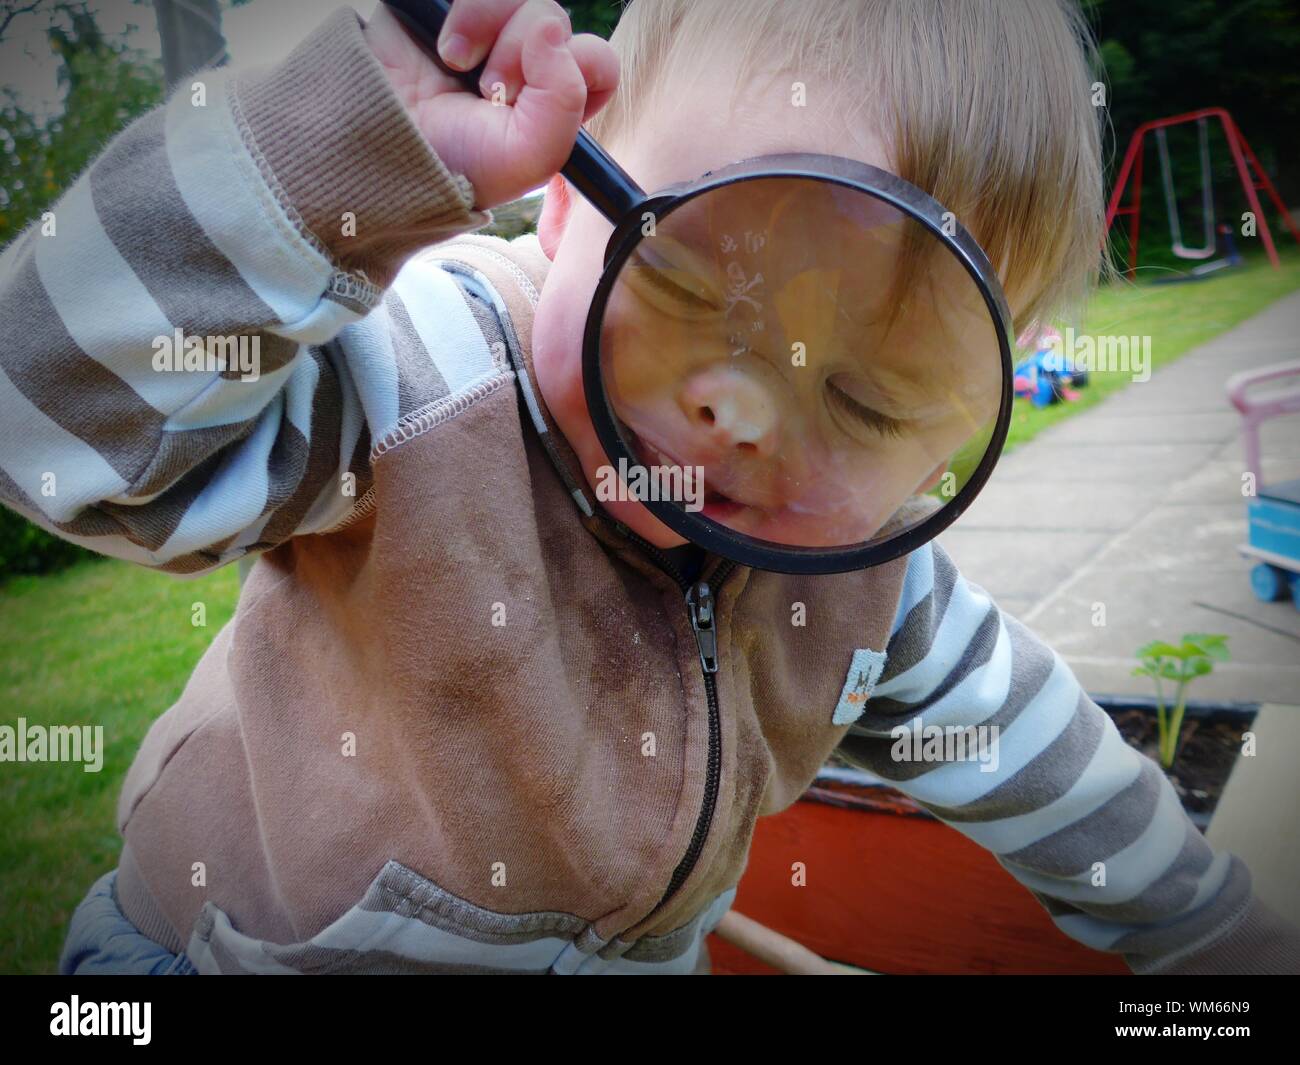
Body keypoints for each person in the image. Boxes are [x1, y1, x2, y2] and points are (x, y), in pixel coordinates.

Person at [3, 0, 1294, 974]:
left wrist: (1227, 946)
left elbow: (1052, 768)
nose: (748, 411)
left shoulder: (865, 579)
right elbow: (47, 415)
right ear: (562, 209)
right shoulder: (423, 387)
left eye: (868, 402)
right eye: (687, 280)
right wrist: (323, 168)